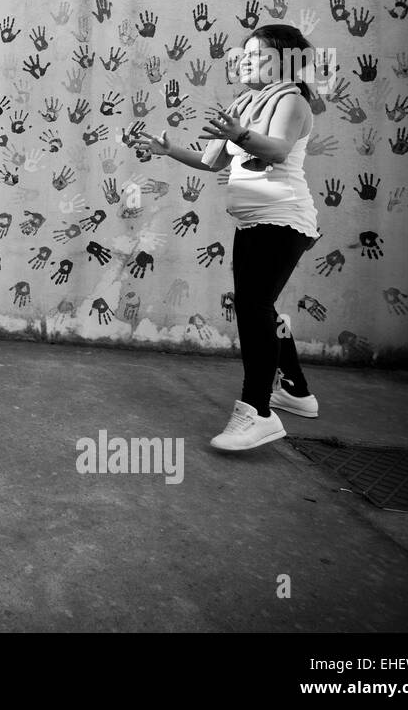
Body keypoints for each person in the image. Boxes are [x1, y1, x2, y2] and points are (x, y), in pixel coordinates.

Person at [126, 24, 322, 452]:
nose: (245, 60)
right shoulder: (246, 103)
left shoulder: (291, 99)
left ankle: (258, 414)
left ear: (286, 60)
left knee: (253, 308)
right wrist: (168, 149)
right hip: (254, 223)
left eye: (257, 54)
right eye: (244, 54)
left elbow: (277, 150)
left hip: (282, 218)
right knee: (258, 306)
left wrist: (240, 135)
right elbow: (212, 161)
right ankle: (297, 391)